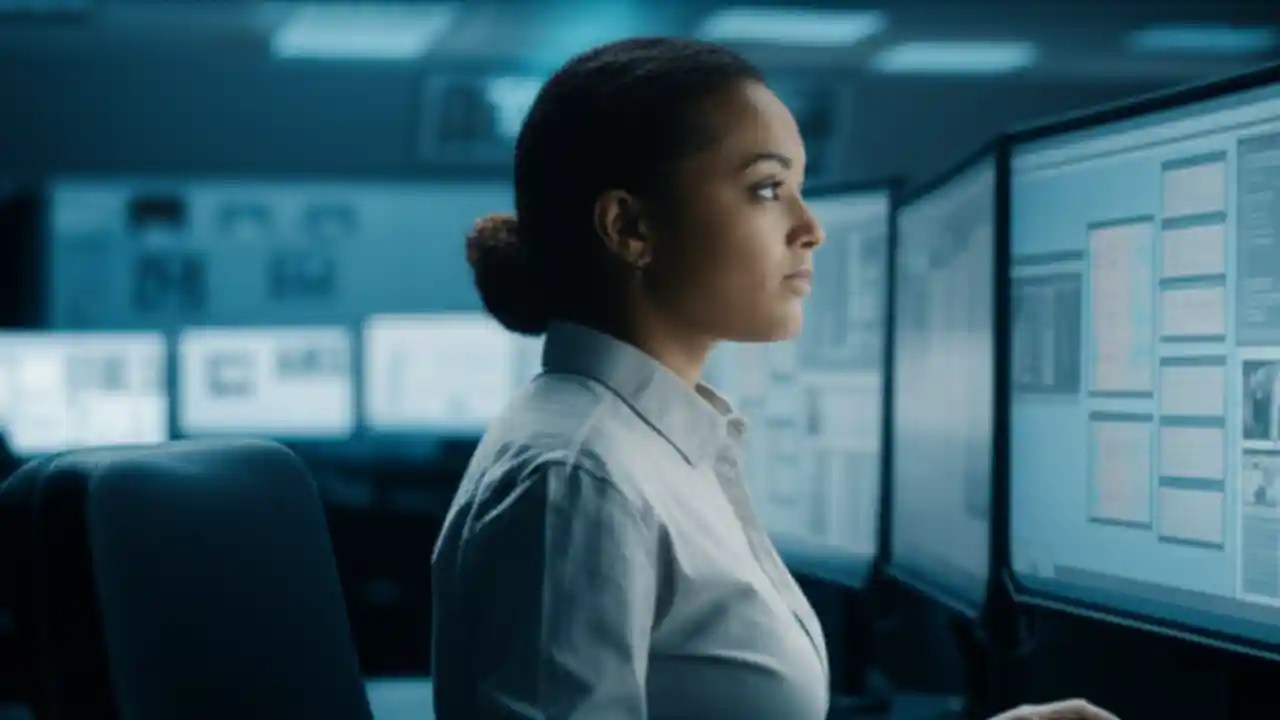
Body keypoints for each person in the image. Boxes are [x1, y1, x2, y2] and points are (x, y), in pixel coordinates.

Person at [431, 36, 1118, 720]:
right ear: (629, 226)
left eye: (800, 188)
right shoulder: (580, 479)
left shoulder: (649, 446)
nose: (810, 227)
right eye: (767, 189)